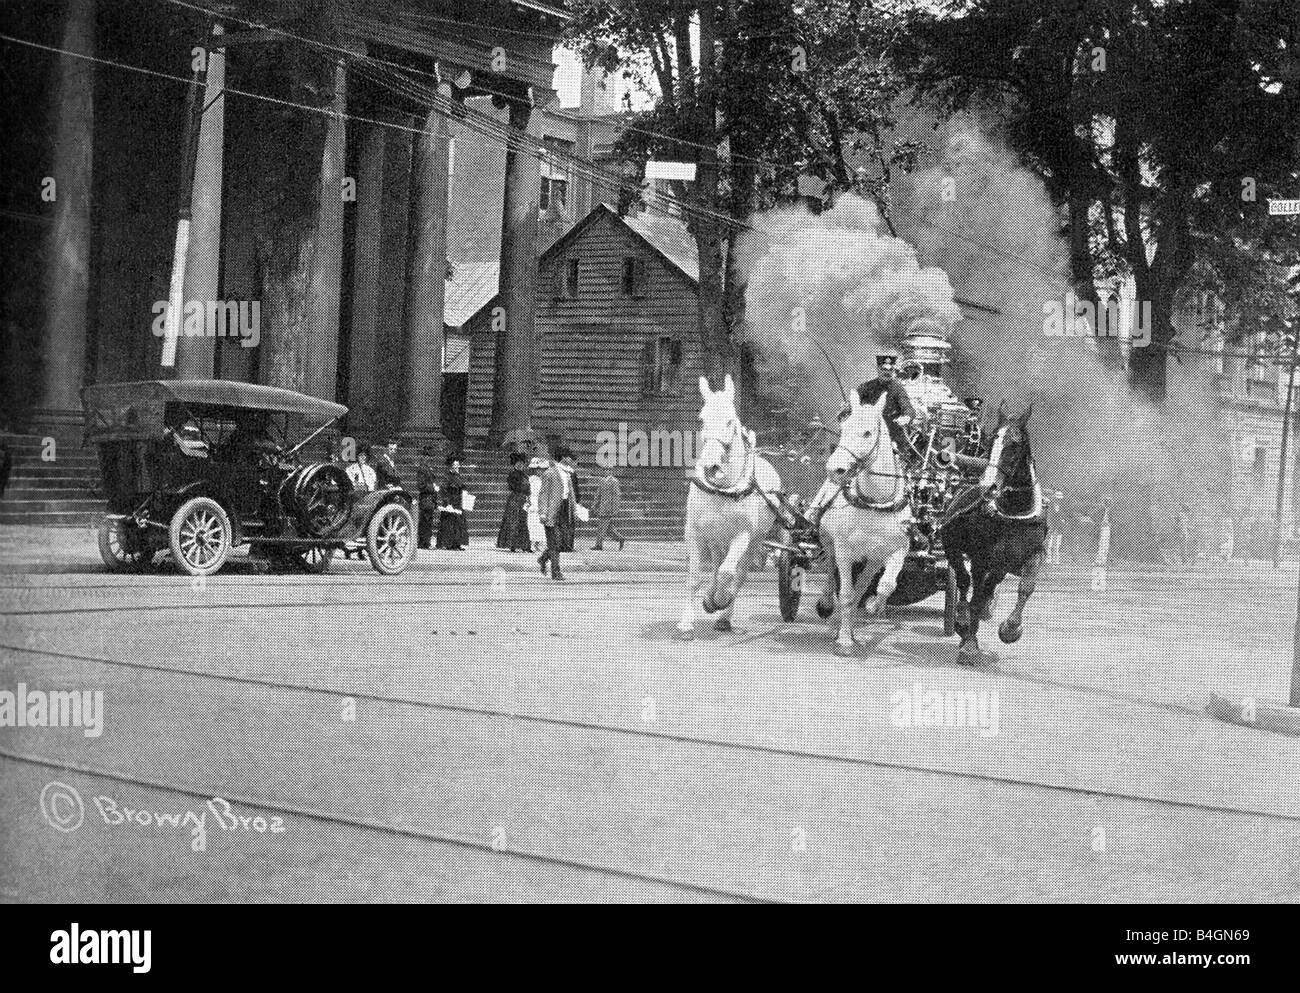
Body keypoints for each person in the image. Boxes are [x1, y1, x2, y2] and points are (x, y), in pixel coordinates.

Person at [537, 448, 578, 580]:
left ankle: (543, 558)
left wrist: (574, 509)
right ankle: (556, 572)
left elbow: (570, 494)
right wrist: (543, 513)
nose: (572, 461)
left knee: (562, 542)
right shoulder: (550, 473)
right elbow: (543, 495)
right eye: (570, 458)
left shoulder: (568, 473)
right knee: (554, 542)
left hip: (565, 510)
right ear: (564, 458)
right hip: (552, 512)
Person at [496, 453, 532, 552]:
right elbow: (513, 487)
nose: (520, 465)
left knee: (523, 522)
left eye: (522, 463)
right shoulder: (512, 474)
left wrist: (528, 497)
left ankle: (525, 546)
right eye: (518, 463)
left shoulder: (525, 475)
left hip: (523, 499)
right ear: (514, 464)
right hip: (515, 499)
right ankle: (513, 545)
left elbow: (528, 488)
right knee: (513, 521)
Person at [436, 454, 469, 550]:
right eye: (455, 465)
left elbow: (462, 487)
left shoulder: (458, 476)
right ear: (451, 466)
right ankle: (449, 543)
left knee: (458, 523)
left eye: (458, 465)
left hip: (458, 502)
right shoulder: (447, 477)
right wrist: (447, 503)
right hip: (451, 501)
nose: (457, 467)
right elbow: (443, 490)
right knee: (449, 524)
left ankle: (457, 543)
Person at [592, 468, 626, 551]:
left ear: (611, 471)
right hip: (602, 507)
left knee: (601, 527)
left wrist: (615, 508)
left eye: (608, 470)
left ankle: (598, 545)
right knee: (608, 528)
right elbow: (598, 494)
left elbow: (616, 496)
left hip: (608, 508)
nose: (606, 471)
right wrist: (594, 505)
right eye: (604, 470)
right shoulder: (602, 481)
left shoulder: (614, 481)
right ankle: (620, 538)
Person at [416, 445, 439, 550]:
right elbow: (421, 485)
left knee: (428, 520)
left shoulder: (429, 468)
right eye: (427, 457)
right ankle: (423, 542)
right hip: (426, 497)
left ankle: (426, 542)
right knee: (425, 520)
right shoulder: (423, 468)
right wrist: (433, 488)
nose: (429, 459)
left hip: (430, 497)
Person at [526, 457, 546, 552]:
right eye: (537, 469)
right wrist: (529, 502)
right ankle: (532, 543)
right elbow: (529, 493)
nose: (539, 471)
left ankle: (539, 543)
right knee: (532, 523)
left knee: (540, 525)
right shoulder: (531, 480)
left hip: (540, 501)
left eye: (541, 470)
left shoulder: (543, 480)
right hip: (533, 500)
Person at [1045, 490, 1065, 565]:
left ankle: (1056, 560)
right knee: (1049, 544)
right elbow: (1049, 517)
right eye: (1057, 498)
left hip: (1058, 528)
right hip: (1052, 527)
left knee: (1057, 545)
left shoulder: (1062, 507)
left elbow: (1062, 517)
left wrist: (1062, 521)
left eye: (1059, 499)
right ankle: (1048, 559)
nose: (1058, 500)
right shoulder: (1050, 506)